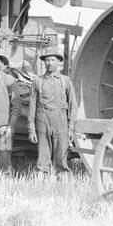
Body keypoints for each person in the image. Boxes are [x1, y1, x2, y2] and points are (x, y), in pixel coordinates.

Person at [27, 46, 79, 175]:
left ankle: (62, 176)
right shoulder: (37, 81)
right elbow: (32, 105)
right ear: (44, 62)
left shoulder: (65, 81)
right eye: (47, 60)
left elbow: (73, 106)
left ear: (58, 61)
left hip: (60, 120)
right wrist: (31, 129)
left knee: (61, 153)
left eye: (52, 60)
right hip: (42, 120)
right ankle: (41, 176)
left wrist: (71, 128)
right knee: (43, 153)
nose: (49, 63)